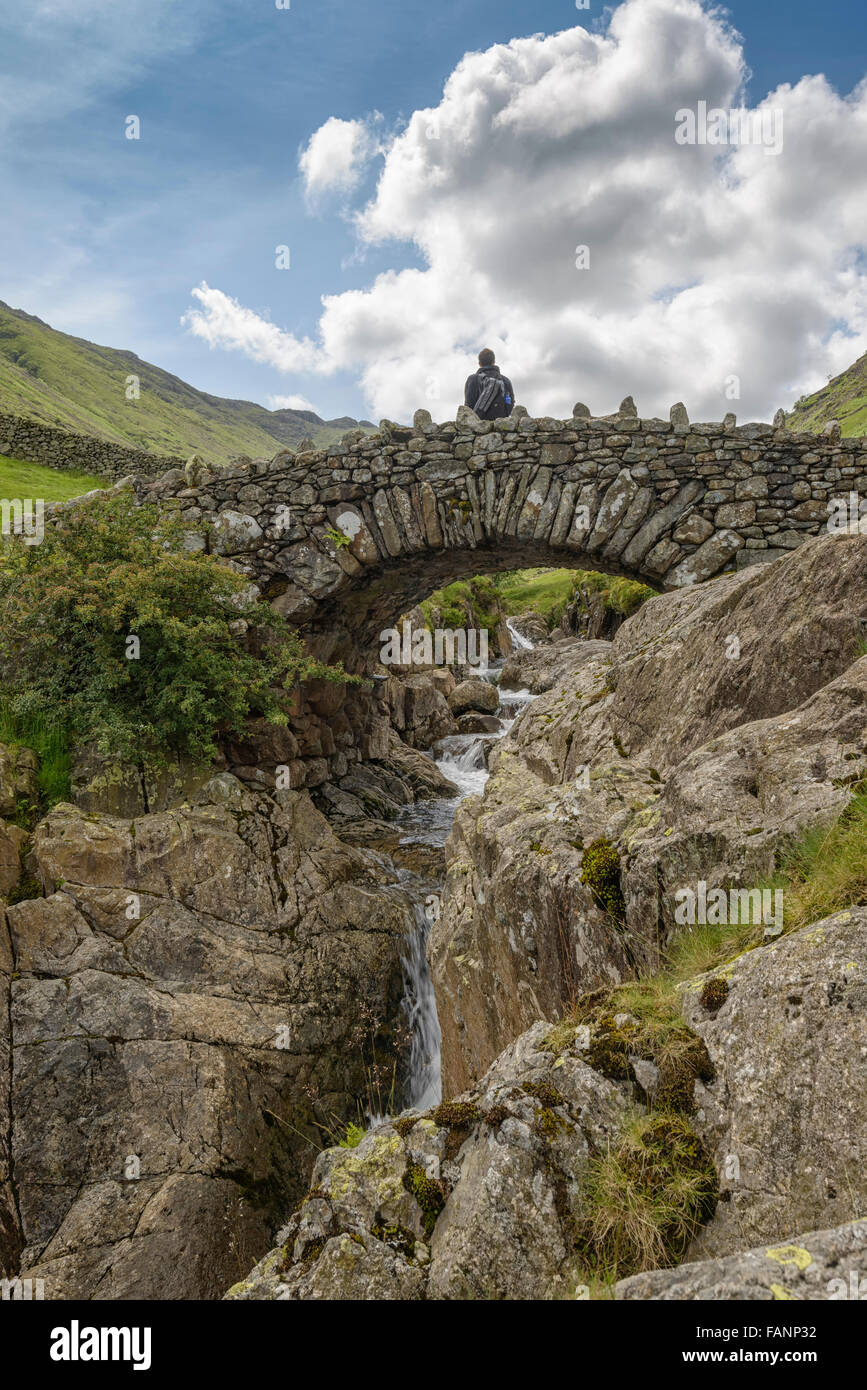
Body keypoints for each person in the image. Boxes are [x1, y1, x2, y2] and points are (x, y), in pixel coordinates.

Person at [464, 348, 515, 420]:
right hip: (501, 426)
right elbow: (510, 406)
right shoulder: (506, 381)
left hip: (477, 426)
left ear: (479, 363)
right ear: (494, 362)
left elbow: (468, 407)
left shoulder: (473, 379)